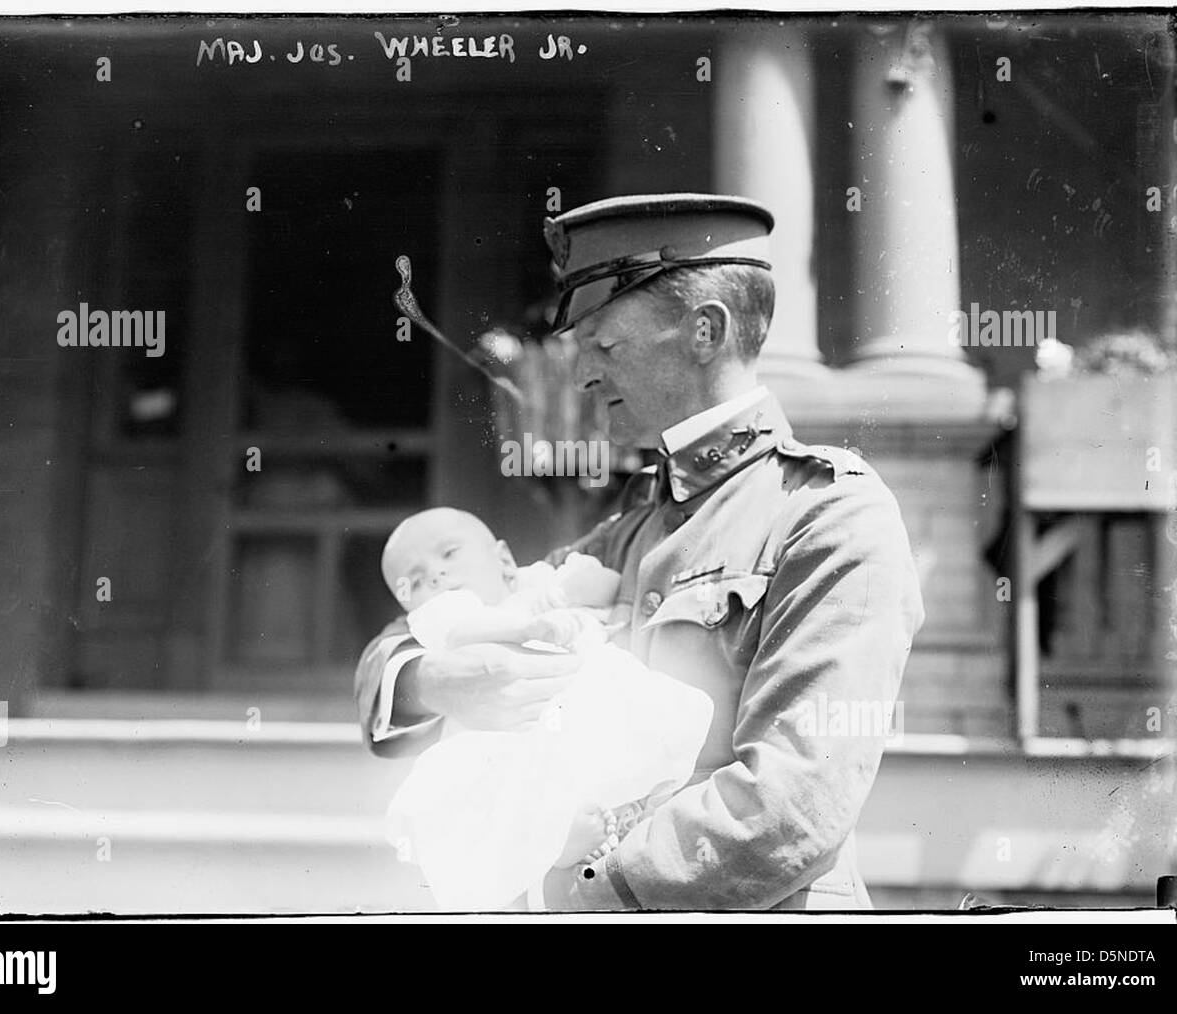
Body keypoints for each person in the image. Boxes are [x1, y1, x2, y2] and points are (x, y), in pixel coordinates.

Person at [355, 193, 926, 910]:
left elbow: (789, 807)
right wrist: (433, 679)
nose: (584, 374)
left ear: (704, 332)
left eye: (604, 345)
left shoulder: (828, 515)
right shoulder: (632, 528)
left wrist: (565, 889)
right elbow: (433, 626)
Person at [379, 507, 713, 910]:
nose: (434, 575)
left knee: (628, 737)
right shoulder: (445, 613)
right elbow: (464, 630)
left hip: (581, 704)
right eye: (415, 580)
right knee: (505, 793)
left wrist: (563, 591)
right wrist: (527, 625)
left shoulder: (537, 580)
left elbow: (605, 584)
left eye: (449, 554)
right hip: (503, 735)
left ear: (503, 559)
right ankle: (558, 846)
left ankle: (616, 820)